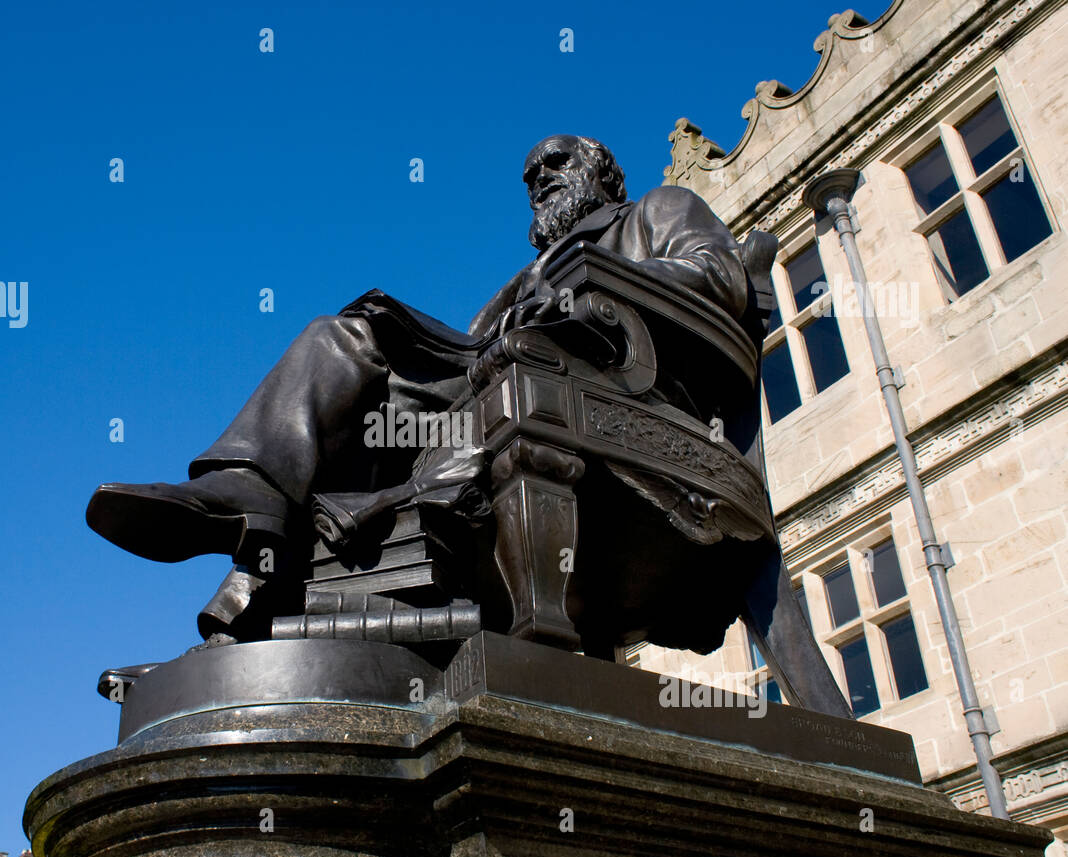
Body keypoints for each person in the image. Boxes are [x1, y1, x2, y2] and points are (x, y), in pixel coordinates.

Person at [85, 134, 748, 572]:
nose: (539, 178)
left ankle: (262, 557)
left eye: (557, 163)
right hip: (491, 391)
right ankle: (247, 495)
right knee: (342, 338)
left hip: (618, 402)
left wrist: (592, 293)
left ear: (605, 175)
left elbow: (719, 275)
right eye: (529, 175)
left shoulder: (656, 210)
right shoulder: (516, 282)